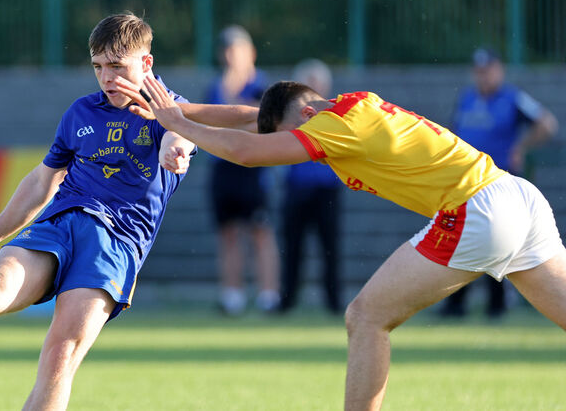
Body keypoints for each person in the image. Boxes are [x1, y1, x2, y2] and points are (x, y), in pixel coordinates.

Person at [115, 76, 566, 410]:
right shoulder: (352, 105)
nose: (296, 145)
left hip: (476, 211)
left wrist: (179, 125)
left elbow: (249, 152)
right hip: (519, 197)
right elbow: (252, 123)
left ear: (309, 116)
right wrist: (178, 110)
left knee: (366, 316)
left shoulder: (331, 126)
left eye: (296, 135)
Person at [0, 13, 195, 411]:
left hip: (114, 244)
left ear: (146, 64)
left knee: (59, 357)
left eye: (117, 66)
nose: (106, 77)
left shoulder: (173, 108)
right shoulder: (81, 112)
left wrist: (175, 148)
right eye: (98, 67)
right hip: (58, 224)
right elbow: (40, 183)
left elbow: (179, 134)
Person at [441, 47, 560, 319]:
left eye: (488, 71)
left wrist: (521, 147)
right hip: (468, 184)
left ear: (499, 70)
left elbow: (547, 123)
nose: (483, 77)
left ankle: (496, 305)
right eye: (479, 72)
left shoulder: (512, 98)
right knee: (464, 240)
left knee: (494, 242)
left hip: (499, 185)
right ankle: (456, 303)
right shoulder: (467, 98)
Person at [206, 25, 279, 315]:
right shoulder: (216, 85)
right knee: (228, 233)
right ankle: (232, 295)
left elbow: (257, 117)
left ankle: (269, 294)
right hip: (224, 168)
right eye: (226, 50)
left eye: (235, 49)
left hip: (254, 167)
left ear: (251, 53)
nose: (230, 56)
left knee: (261, 231)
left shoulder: (264, 85)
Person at [280, 59, 342, 314]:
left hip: (327, 189)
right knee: (292, 247)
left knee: (330, 248)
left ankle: (333, 300)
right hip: (297, 187)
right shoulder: (291, 116)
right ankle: (287, 300)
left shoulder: (335, 115)